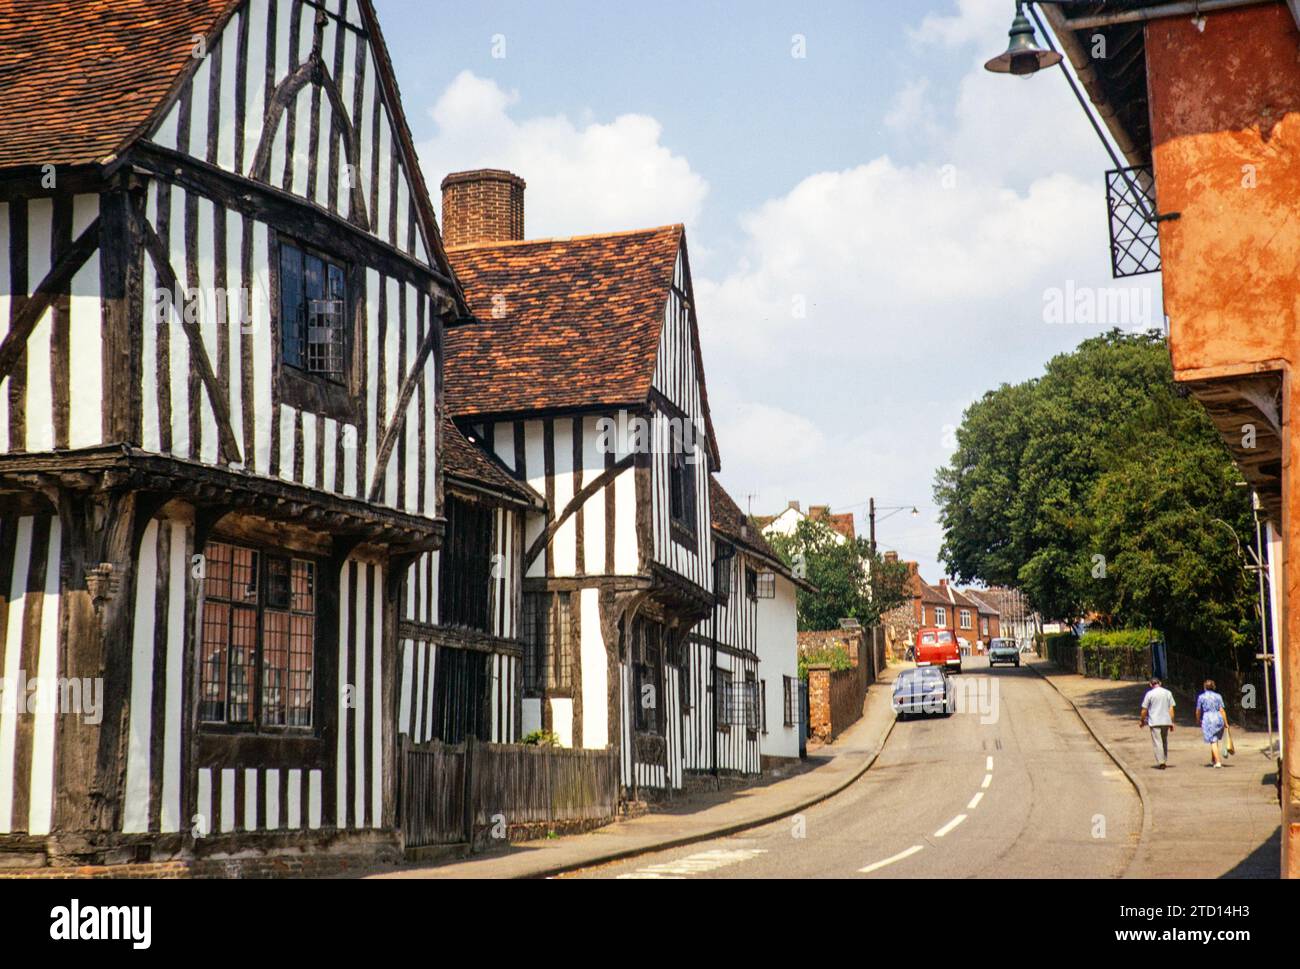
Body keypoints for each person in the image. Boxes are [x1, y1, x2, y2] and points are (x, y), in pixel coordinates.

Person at [1139, 677, 1176, 769]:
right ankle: (1164, 759)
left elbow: (1144, 709)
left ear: (1151, 684)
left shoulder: (1149, 694)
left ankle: (1161, 761)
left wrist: (1142, 720)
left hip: (1154, 721)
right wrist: (1172, 722)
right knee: (1164, 741)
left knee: (1157, 742)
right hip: (1166, 721)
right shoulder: (1168, 693)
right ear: (1160, 683)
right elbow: (1171, 708)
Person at [1196, 679, 1230, 768]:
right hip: (1218, 717)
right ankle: (1214, 759)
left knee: (1213, 740)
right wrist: (1226, 722)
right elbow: (1222, 710)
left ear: (1204, 687)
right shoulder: (1218, 696)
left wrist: (1198, 719)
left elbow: (1198, 710)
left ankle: (1218, 761)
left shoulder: (1201, 697)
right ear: (1213, 687)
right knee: (1214, 739)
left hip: (1208, 718)